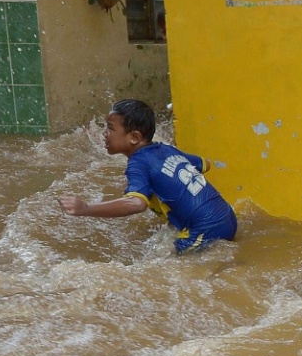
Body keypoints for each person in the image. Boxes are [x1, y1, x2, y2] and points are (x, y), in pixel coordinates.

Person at [56, 99, 238, 252]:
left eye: (110, 128)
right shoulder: (167, 149)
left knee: (170, 269)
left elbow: (136, 204)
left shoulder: (138, 163)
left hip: (205, 230)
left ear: (134, 137)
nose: (104, 134)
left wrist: (85, 209)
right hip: (228, 217)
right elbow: (205, 164)